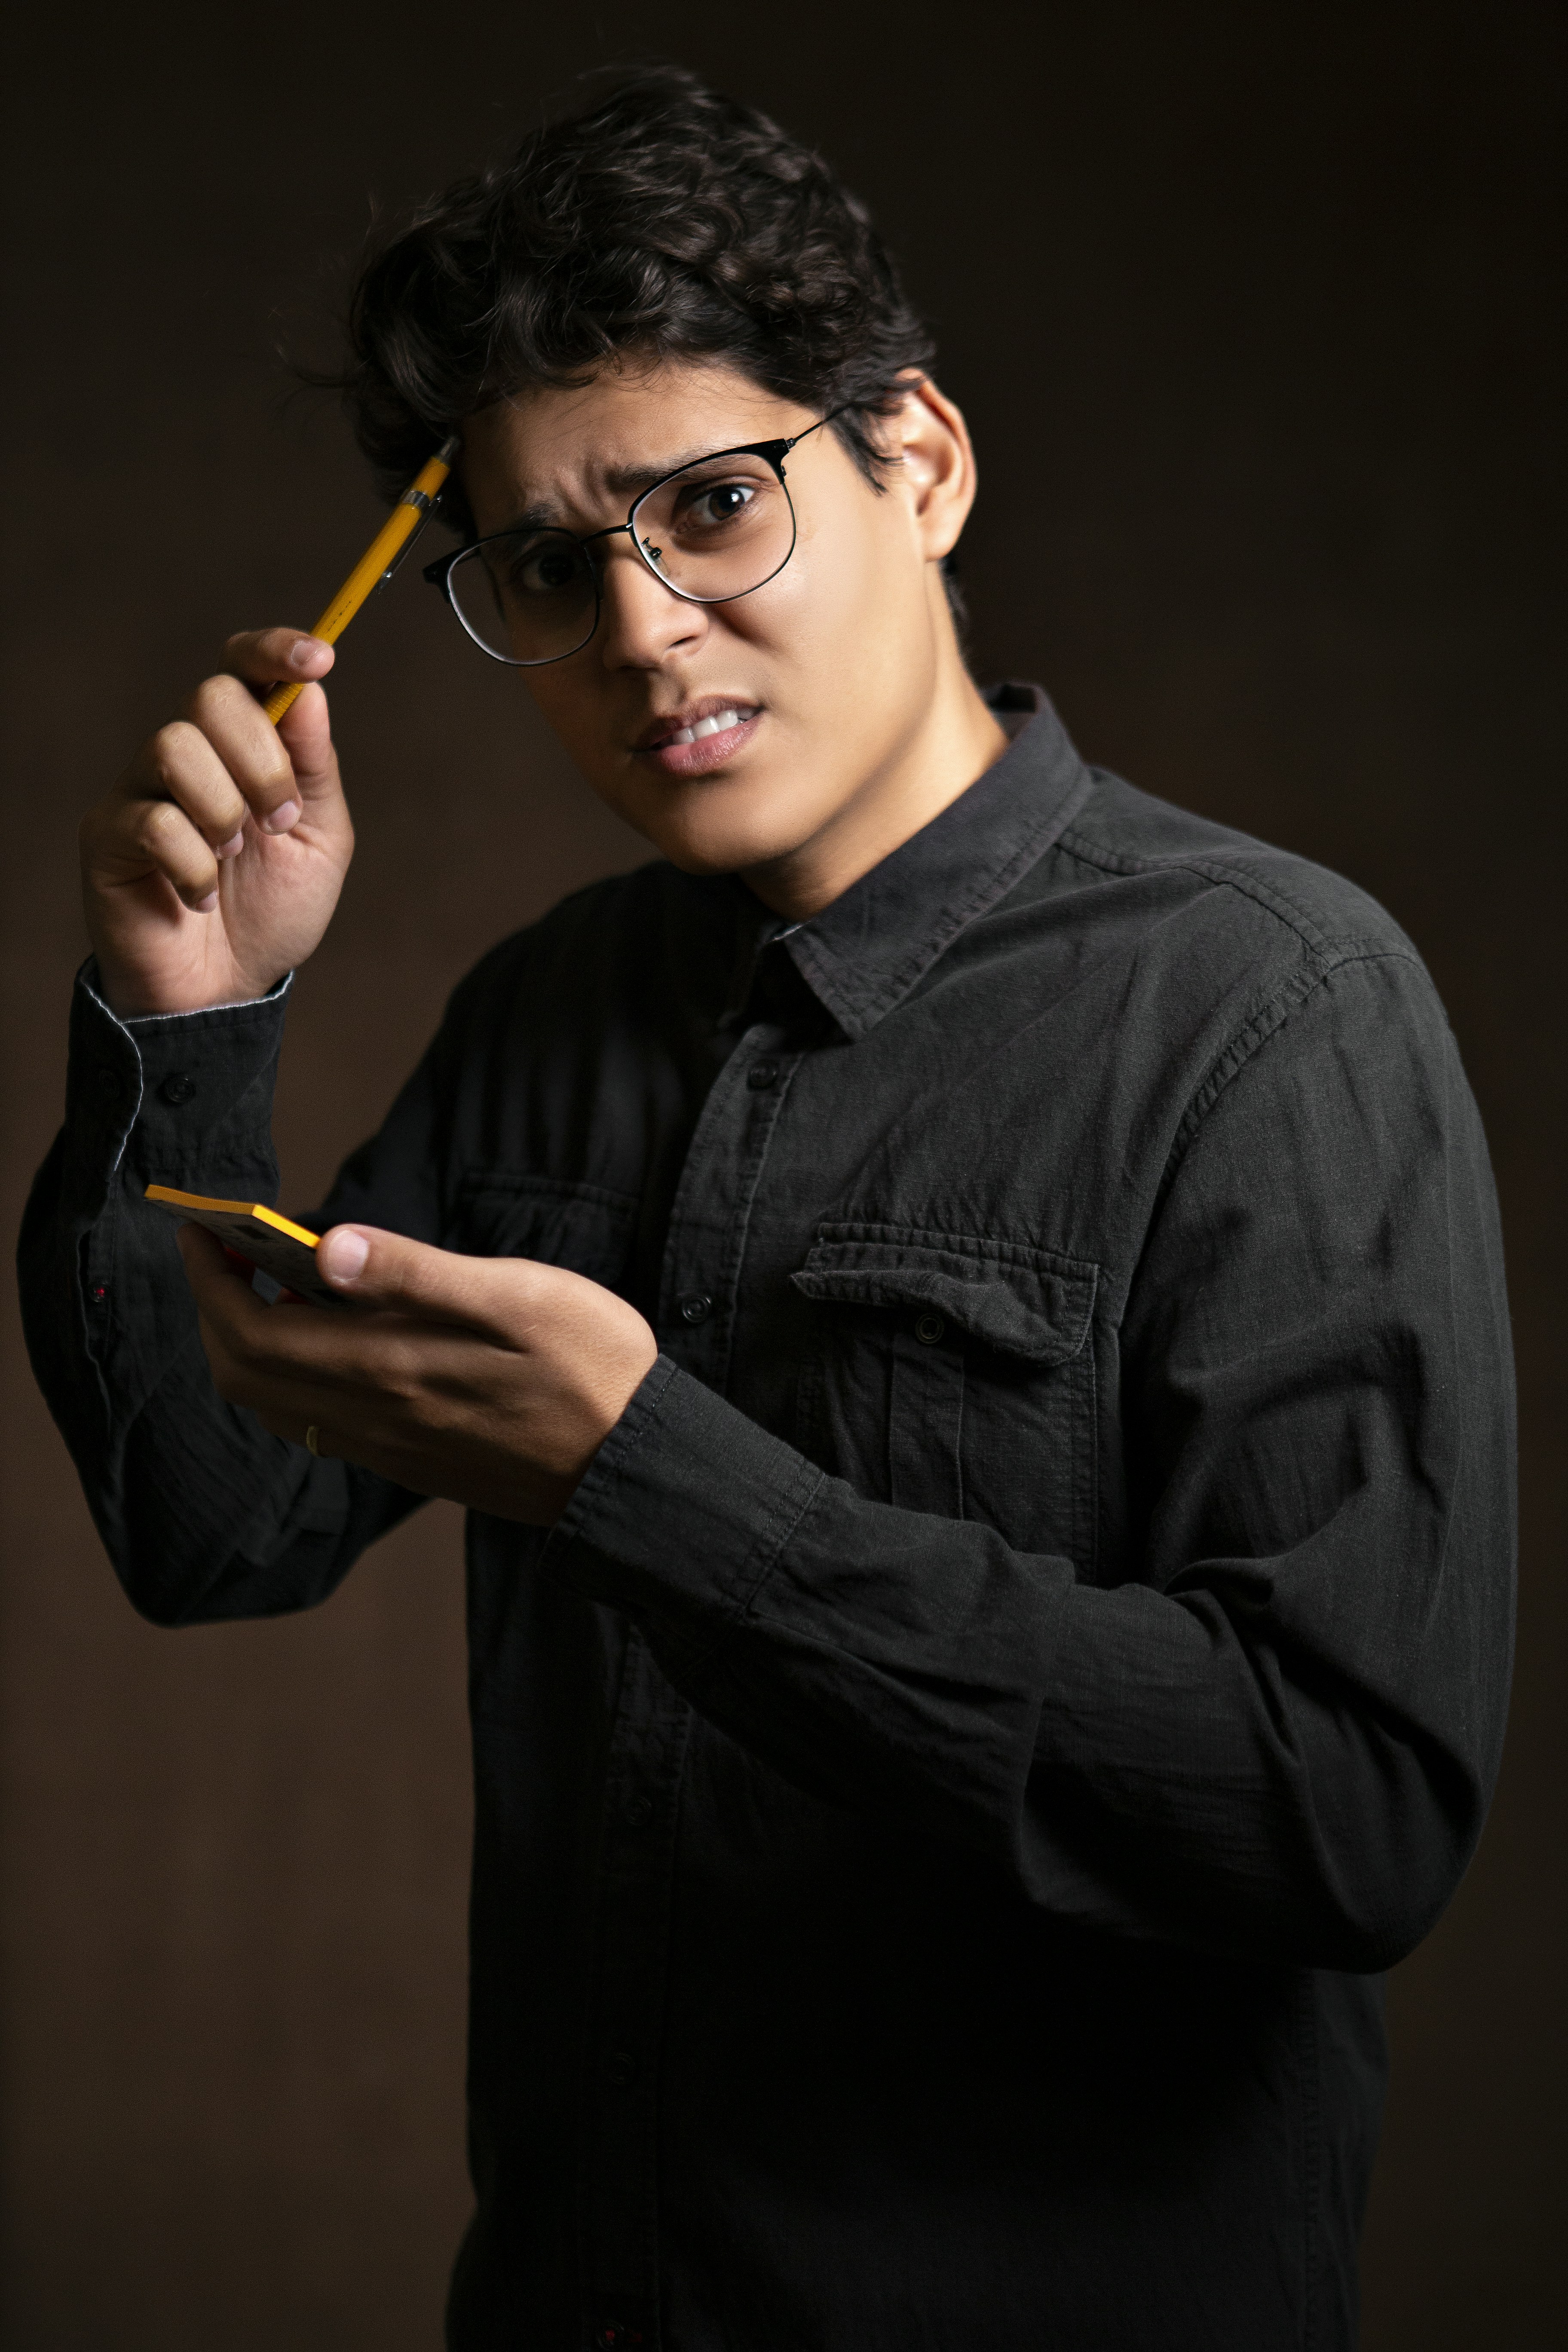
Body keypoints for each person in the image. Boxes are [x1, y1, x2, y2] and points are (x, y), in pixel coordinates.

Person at [19, 66, 1515, 2352]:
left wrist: (654, 1481)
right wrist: (188, 1023)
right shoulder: (550, 1013)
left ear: (914, 460)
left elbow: (1346, 1820)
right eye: (545, 562)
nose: (639, 637)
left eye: (713, 506)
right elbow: (215, 1521)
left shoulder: (1271, 1007)